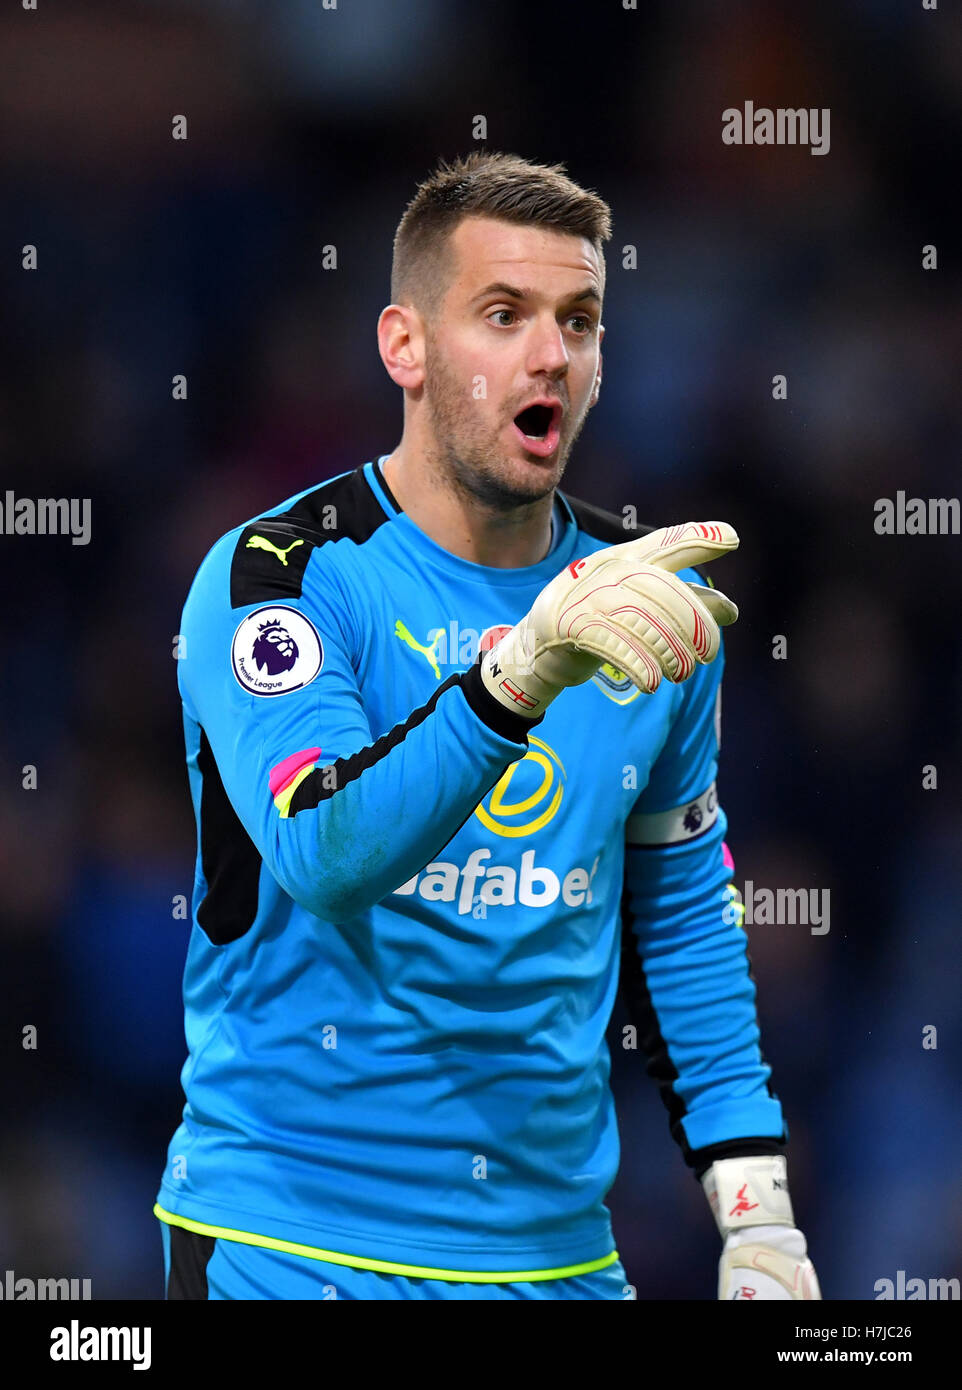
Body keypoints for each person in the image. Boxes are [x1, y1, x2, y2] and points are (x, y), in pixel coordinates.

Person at [154, 150, 820, 1301]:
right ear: (402, 345)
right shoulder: (282, 576)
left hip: (556, 1260)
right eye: (502, 315)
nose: (548, 354)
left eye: (579, 320)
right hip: (293, 1245)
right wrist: (515, 675)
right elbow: (324, 851)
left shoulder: (639, 598)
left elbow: (679, 919)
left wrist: (756, 1211)